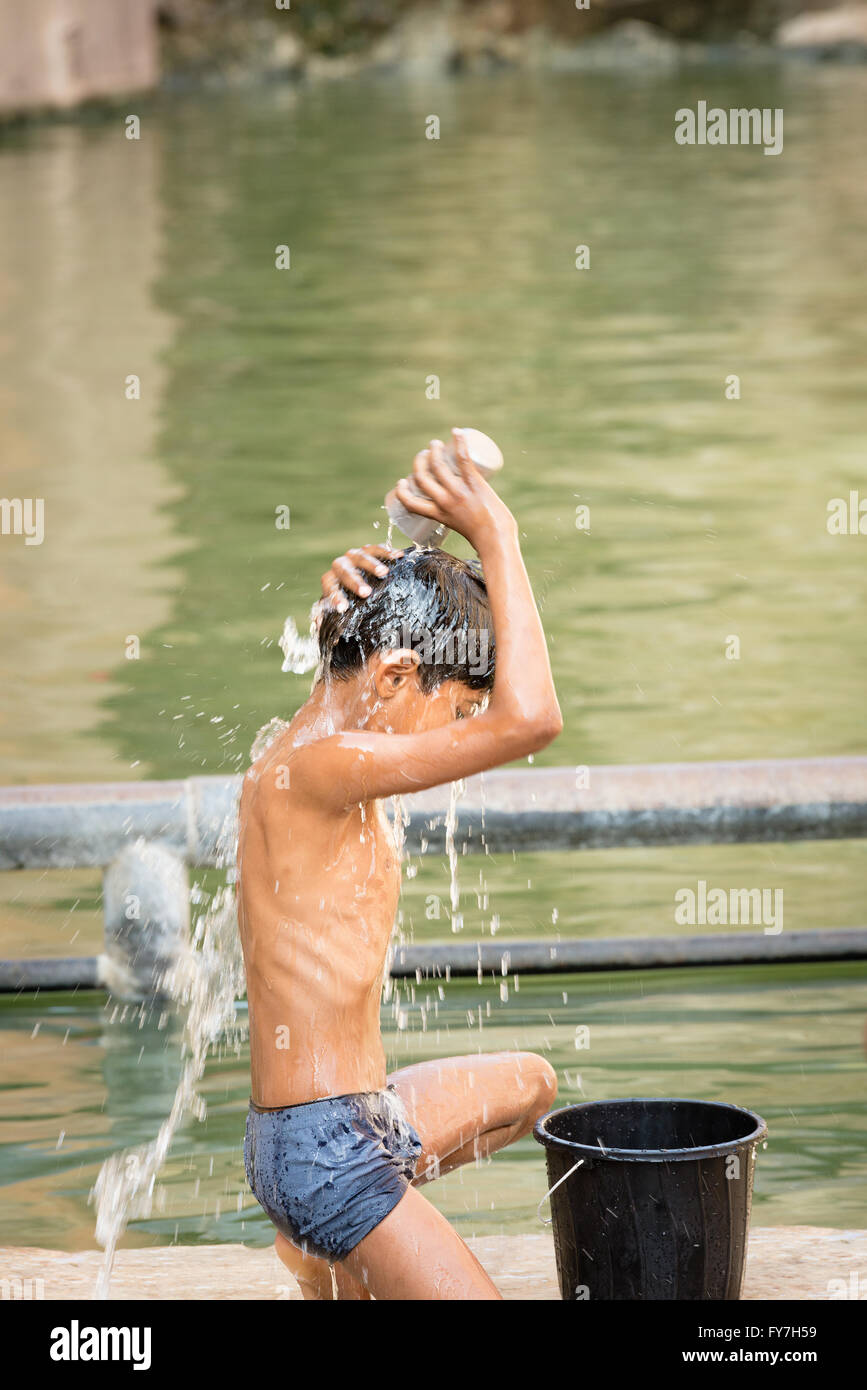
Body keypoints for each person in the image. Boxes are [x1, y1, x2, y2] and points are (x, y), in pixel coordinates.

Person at [238, 429, 562, 1300]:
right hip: (318, 1151)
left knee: (533, 1087)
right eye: (456, 705)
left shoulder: (332, 730)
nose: (461, 726)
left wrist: (408, 545)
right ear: (390, 679)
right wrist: (496, 532)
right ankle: (336, 1232)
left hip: (361, 1120)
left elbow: (377, 637)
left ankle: (334, 1252)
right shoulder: (314, 768)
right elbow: (532, 719)